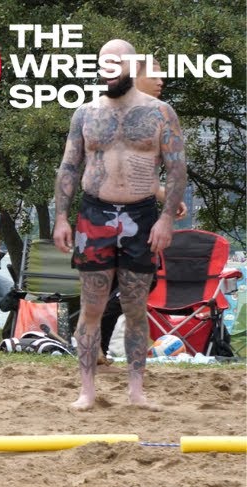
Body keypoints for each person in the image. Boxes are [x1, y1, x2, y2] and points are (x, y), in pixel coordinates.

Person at [52, 39, 186, 411]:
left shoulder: (160, 113)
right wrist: (61, 217)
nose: (108, 71)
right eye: (103, 64)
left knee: (135, 305)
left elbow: (176, 170)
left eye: (116, 64)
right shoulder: (85, 114)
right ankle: (87, 390)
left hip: (141, 215)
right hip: (94, 213)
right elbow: (68, 167)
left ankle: (136, 390)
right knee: (92, 305)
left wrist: (165, 219)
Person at [97, 57, 186, 360]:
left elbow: (139, 175)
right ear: (134, 78)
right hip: (112, 216)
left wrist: (166, 197)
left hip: (138, 214)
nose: (162, 81)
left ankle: (96, 345)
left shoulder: (157, 115)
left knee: (139, 284)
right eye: (156, 75)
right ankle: (94, 345)